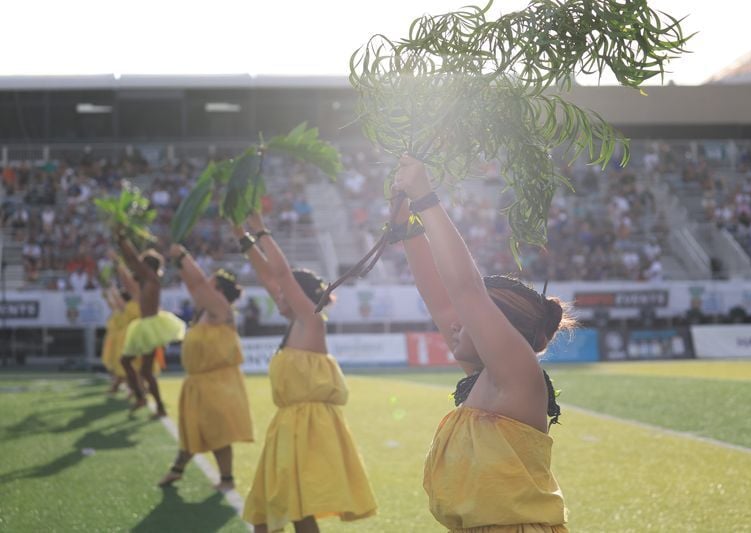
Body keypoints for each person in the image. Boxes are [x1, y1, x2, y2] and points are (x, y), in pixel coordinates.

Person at [392, 155, 570, 532]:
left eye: (470, 318)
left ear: (498, 327)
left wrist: (425, 196)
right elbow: (441, 300)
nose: (454, 323)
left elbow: (466, 290)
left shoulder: (518, 374)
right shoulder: (486, 377)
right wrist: (405, 220)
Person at [234, 213, 377, 533]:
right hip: (289, 427)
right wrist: (241, 237)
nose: (277, 296)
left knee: (297, 514)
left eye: (286, 293)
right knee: (268, 514)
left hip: (310, 428)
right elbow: (272, 277)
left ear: (302, 297)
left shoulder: (311, 322)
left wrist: (260, 229)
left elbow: (282, 275)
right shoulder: (296, 326)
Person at [158, 244, 254, 491]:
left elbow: (198, 283)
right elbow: (195, 285)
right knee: (194, 427)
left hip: (218, 382)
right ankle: (178, 469)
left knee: (216, 431)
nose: (204, 288)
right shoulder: (205, 311)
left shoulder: (220, 310)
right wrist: (179, 262)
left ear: (219, 291)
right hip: (200, 381)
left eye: (211, 284)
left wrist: (182, 254)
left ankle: (227, 480)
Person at [116, 229, 185, 417]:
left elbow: (133, 261)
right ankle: (149, 401)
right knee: (142, 369)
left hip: (150, 327)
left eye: (143, 265)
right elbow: (132, 263)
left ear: (148, 267)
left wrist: (122, 239)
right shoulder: (148, 281)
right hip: (147, 326)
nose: (138, 269)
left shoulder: (151, 279)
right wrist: (122, 243)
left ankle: (146, 399)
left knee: (133, 365)